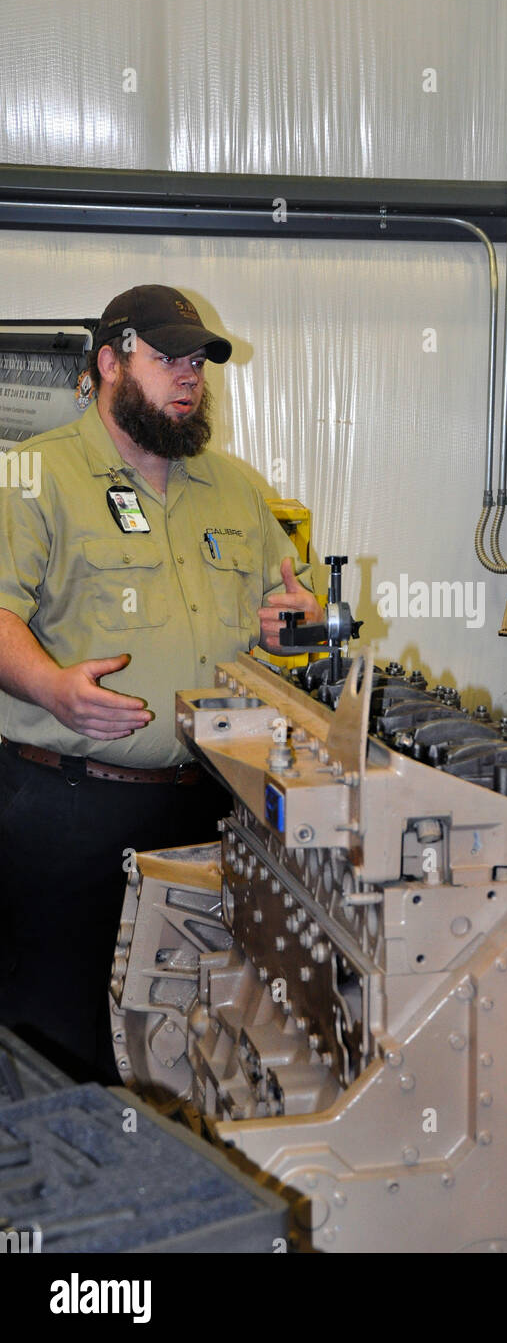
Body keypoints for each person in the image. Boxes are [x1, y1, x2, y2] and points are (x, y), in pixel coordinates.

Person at [0, 284, 322, 1080]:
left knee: (193, 1035)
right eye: (166, 358)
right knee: (57, 1043)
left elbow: (294, 614)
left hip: (208, 805)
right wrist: (50, 686)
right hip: (68, 810)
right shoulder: (34, 476)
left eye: (198, 362)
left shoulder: (236, 489)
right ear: (109, 362)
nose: (188, 376)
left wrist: (295, 624)